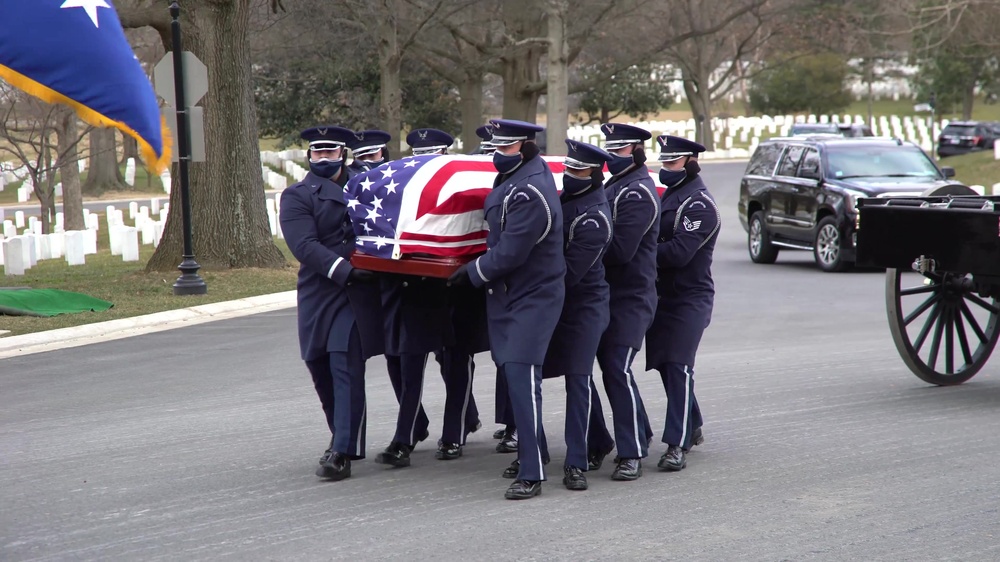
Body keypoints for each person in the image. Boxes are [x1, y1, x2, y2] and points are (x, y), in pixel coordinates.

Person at [447, 118, 565, 500]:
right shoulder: (515, 179)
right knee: (516, 378)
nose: (498, 154)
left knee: (522, 378)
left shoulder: (530, 190)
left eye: (507, 147)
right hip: (508, 295)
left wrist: (471, 272)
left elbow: (512, 251)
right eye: (495, 147)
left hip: (531, 296)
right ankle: (539, 453)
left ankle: (532, 472)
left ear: (526, 147)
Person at [279, 125, 384, 481]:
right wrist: (345, 269)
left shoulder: (366, 186)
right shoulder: (297, 195)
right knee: (319, 365)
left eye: (331, 153)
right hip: (321, 287)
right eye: (317, 153)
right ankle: (340, 433)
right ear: (310, 156)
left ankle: (343, 449)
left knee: (345, 362)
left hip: (357, 292)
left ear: (343, 154)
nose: (323, 159)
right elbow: (303, 245)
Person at [589, 122, 660, 481]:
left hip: (631, 296)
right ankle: (639, 432)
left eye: (617, 151)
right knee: (609, 369)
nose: (610, 156)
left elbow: (619, 250)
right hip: (609, 294)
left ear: (635, 151)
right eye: (609, 149)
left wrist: (580, 243)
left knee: (617, 367)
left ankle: (631, 451)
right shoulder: (617, 184)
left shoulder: (637, 193)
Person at [543, 139, 613, 491]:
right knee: (564, 376)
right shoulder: (565, 199)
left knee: (577, 378)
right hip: (559, 302)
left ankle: (575, 462)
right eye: (567, 169)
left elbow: (569, 273)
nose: (568, 175)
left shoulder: (595, 216)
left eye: (576, 171)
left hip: (585, 306)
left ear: (594, 174)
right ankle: (599, 439)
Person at [646, 135, 720, 472]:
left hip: (690, 298)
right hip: (664, 295)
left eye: (673, 162)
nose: (666, 168)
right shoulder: (672, 195)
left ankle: (676, 443)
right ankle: (694, 422)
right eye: (663, 162)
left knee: (678, 364)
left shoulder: (700, 205)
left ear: (691, 162)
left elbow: (678, 253)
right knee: (665, 363)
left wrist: (638, 255)